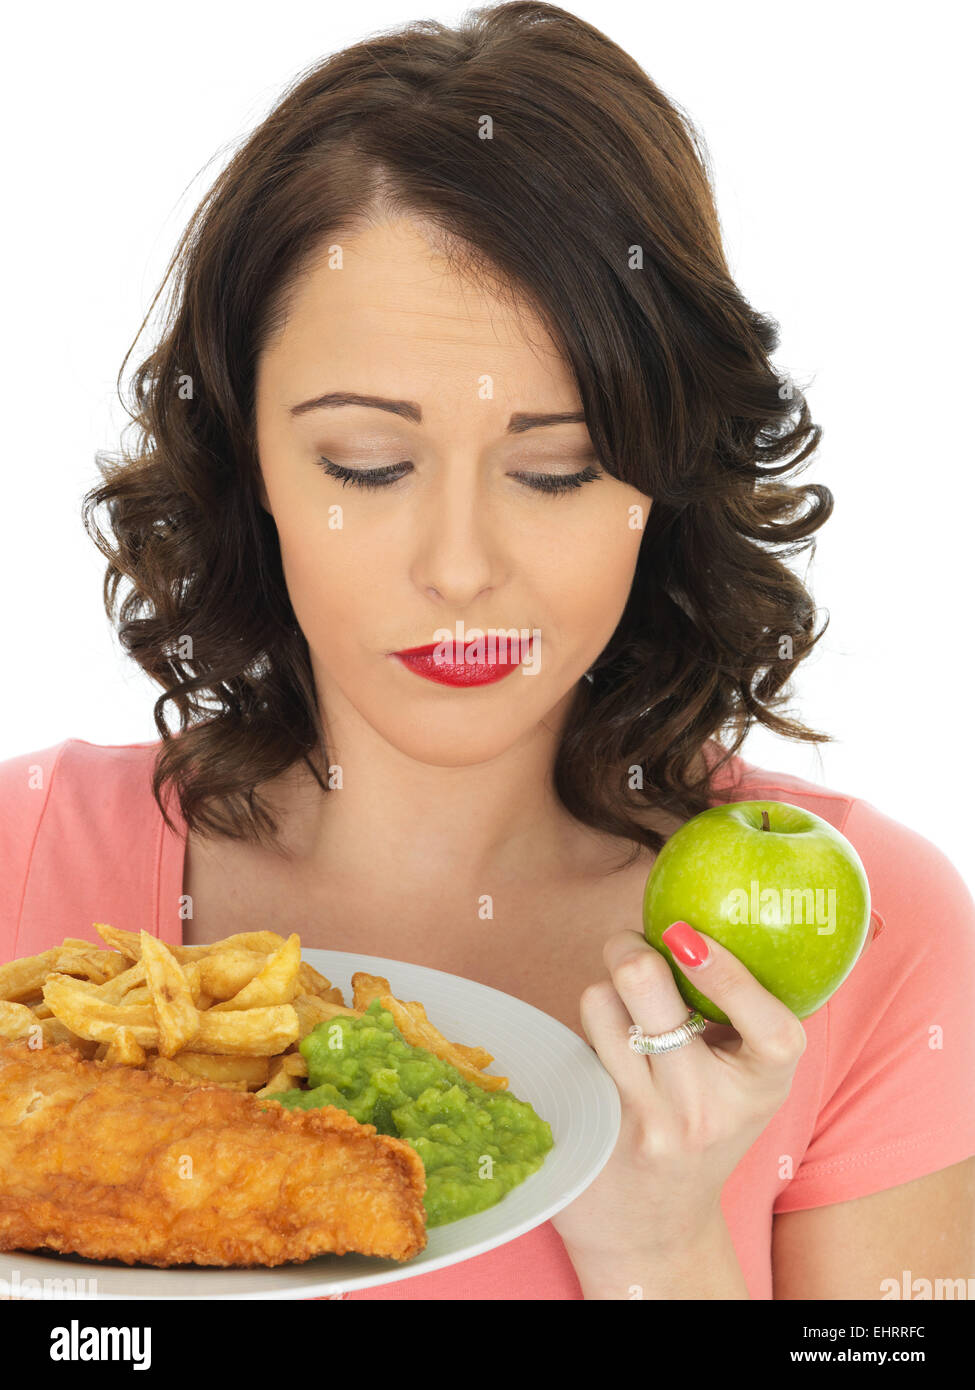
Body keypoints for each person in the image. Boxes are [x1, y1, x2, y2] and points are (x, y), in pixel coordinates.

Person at [2, 1, 973, 1300]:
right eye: (371, 461)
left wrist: (661, 1246)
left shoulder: (867, 934)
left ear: (662, 480)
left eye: (556, 469)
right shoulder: (24, 865)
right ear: (252, 462)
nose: (460, 568)